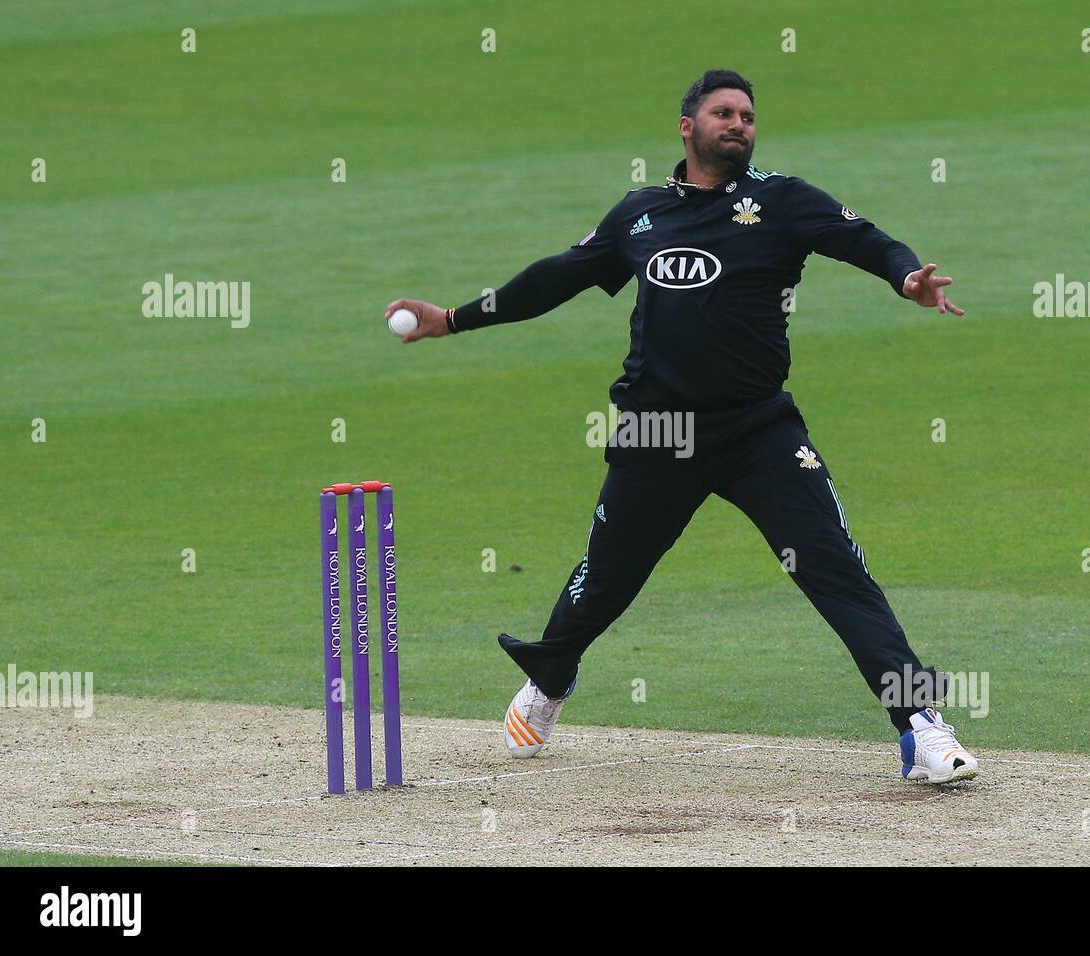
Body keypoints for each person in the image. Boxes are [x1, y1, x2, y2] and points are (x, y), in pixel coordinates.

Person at [386, 69, 977, 783]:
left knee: (835, 569)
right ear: (687, 126)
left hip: (758, 430)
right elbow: (558, 277)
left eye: (748, 116)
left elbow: (870, 242)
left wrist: (907, 277)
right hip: (657, 431)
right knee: (606, 578)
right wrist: (452, 319)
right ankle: (550, 679)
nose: (739, 124)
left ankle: (920, 725)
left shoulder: (782, 200)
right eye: (723, 112)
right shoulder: (641, 213)